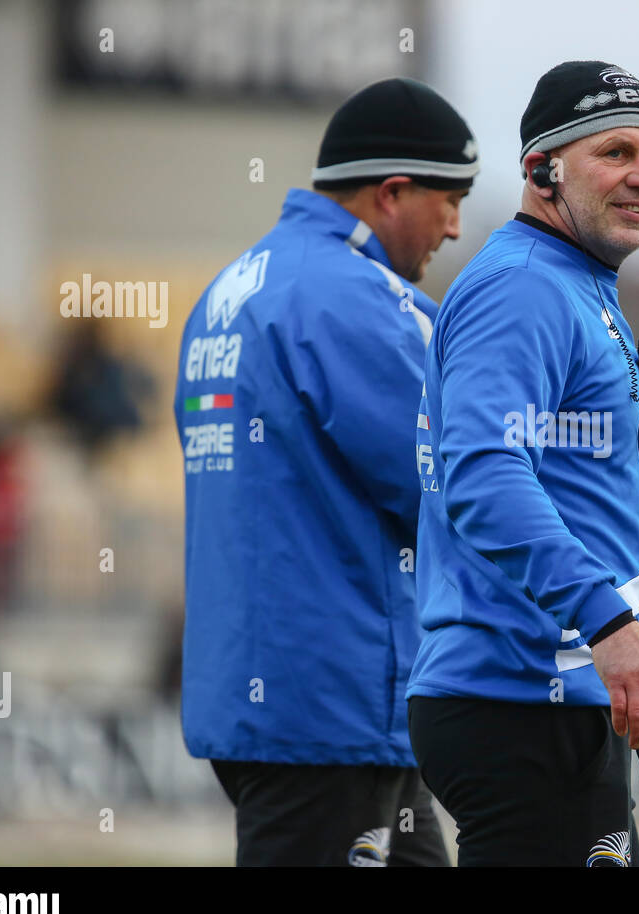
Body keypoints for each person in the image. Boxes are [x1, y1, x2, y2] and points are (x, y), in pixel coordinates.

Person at [174, 77, 478, 866]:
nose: (454, 225)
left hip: (267, 687)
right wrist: (603, 472)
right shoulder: (356, 299)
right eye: (449, 198)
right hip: (332, 703)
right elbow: (450, 483)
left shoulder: (230, 290)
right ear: (391, 192)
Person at [407, 61, 639, 866]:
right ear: (542, 170)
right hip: (519, 697)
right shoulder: (526, 287)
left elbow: (532, 447)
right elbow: (482, 470)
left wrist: (632, 462)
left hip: (544, 697)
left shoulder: (574, 280)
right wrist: (607, 621)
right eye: (616, 153)